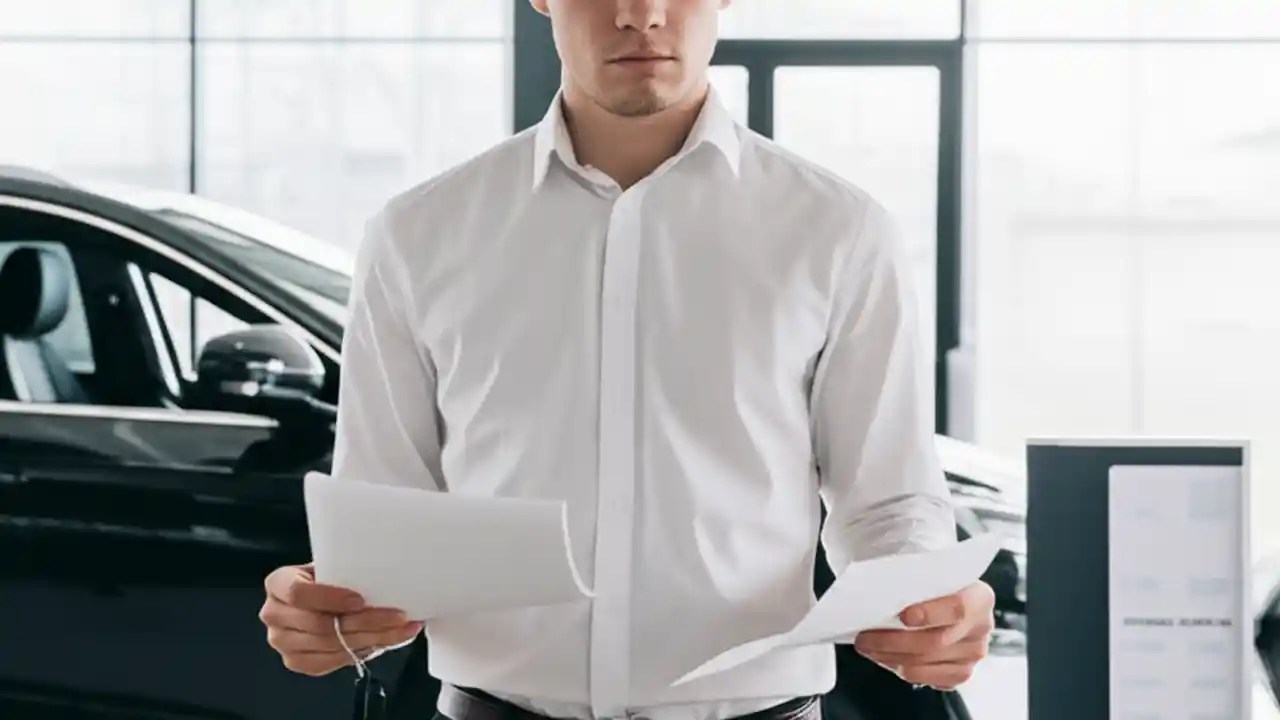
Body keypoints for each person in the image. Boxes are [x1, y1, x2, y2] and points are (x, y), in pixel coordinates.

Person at [259, 1, 995, 718]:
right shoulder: (418, 234)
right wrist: (328, 606)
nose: (639, 14)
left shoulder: (840, 231)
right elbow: (384, 516)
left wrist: (924, 596)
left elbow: (890, 501)